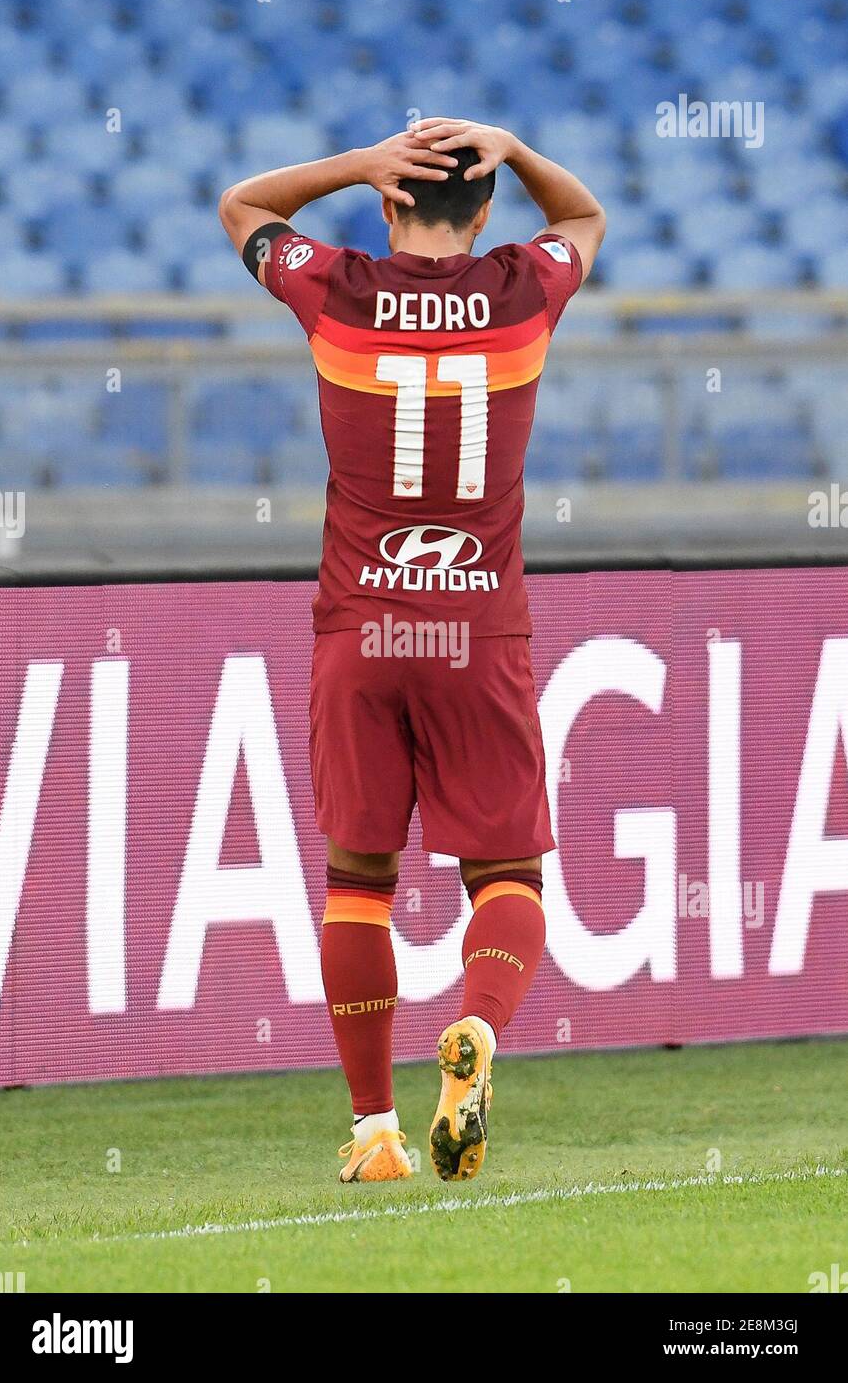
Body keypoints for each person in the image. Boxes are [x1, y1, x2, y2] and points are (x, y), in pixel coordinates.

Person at [220, 118, 605, 1183]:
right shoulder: (524, 285)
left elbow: (242, 208)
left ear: (391, 202)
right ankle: (475, 1029)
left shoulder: (333, 285)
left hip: (362, 624)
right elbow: (583, 215)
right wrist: (518, 145)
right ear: (484, 213)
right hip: (477, 625)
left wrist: (351, 162)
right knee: (507, 873)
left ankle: (374, 1134)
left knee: (356, 879)